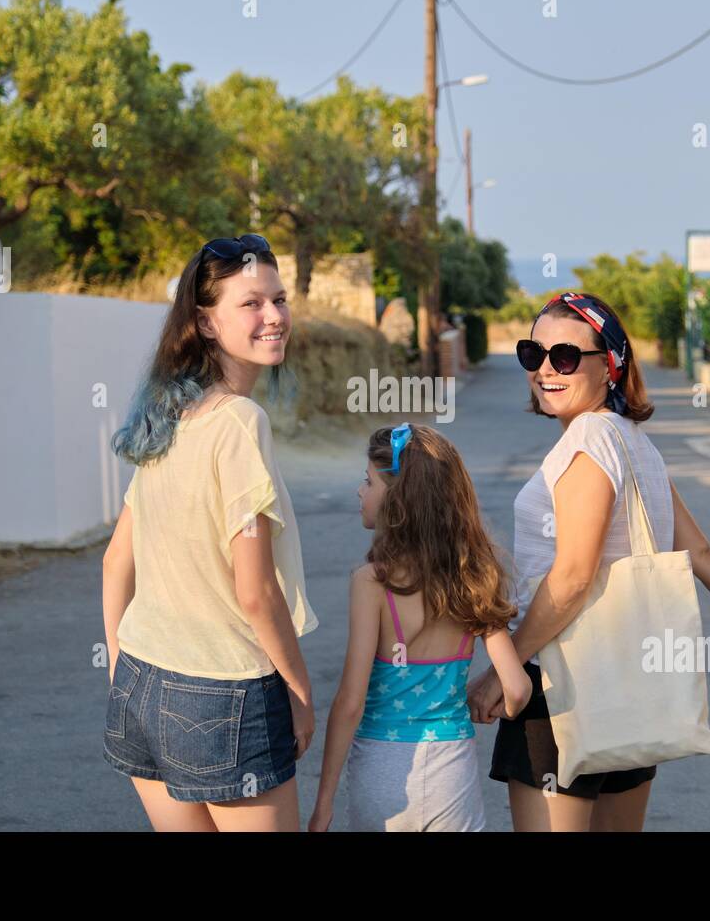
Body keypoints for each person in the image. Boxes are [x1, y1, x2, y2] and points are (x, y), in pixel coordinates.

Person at [467, 291, 710, 832]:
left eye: (565, 357)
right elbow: (700, 553)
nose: (545, 370)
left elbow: (571, 578)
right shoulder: (636, 444)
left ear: (610, 365)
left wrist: (506, 668)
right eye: (532, 354)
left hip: (561, 688)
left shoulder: (587, 443)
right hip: (629, 684)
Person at [101, 234, 317, 831]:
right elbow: (256, 593)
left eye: (280, 299)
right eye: (251, 303)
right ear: (205, 321)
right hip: (226, 692)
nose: (274, 316)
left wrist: (122, 662)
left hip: (143, 678)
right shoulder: (240, 423)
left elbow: (115, 561)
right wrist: (300, 693)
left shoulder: (166, 414)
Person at [310, 423, 532, 831]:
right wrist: (493, 706)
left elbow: (350, 702)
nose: (361, 491)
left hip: (383, 770)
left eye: (369, 481)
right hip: (452, 770)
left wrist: (323, 800)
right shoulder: (476, 575)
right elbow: (516, 689)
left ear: (398, 500)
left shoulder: (372, 581)